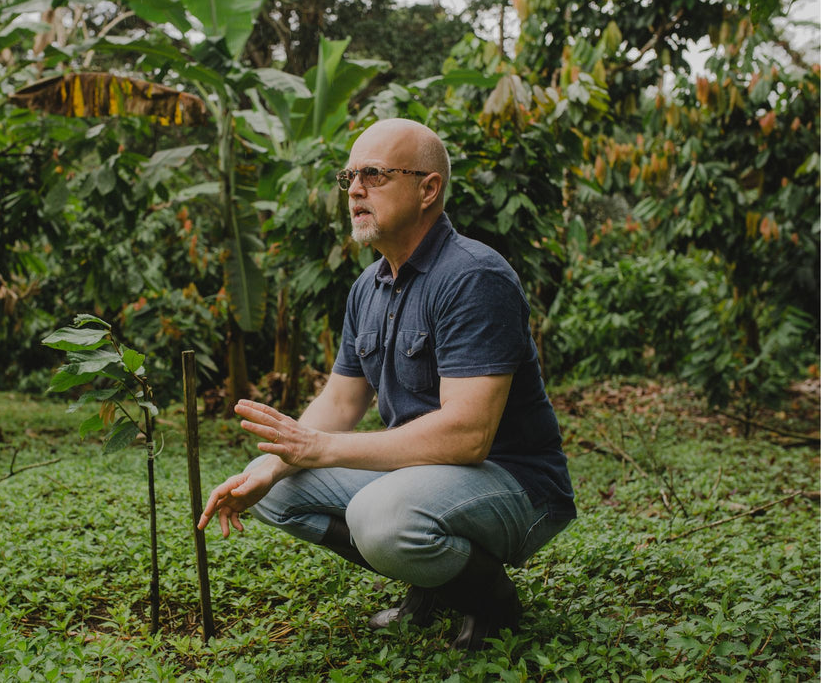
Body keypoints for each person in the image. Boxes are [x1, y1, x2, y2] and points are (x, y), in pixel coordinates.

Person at [197, 118, 575, 651]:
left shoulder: (473, 277)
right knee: (270, 489)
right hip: (426, 476)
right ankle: (433, 578)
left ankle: (491, 599)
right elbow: (341, 399)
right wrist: (274, 464)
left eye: (374, 174)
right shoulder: (368, 287)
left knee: (378, 517)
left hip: (516, 483)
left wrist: (322, 449)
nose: (354, 189)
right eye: (349, 176)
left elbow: (468, 436)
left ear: (428, 189)